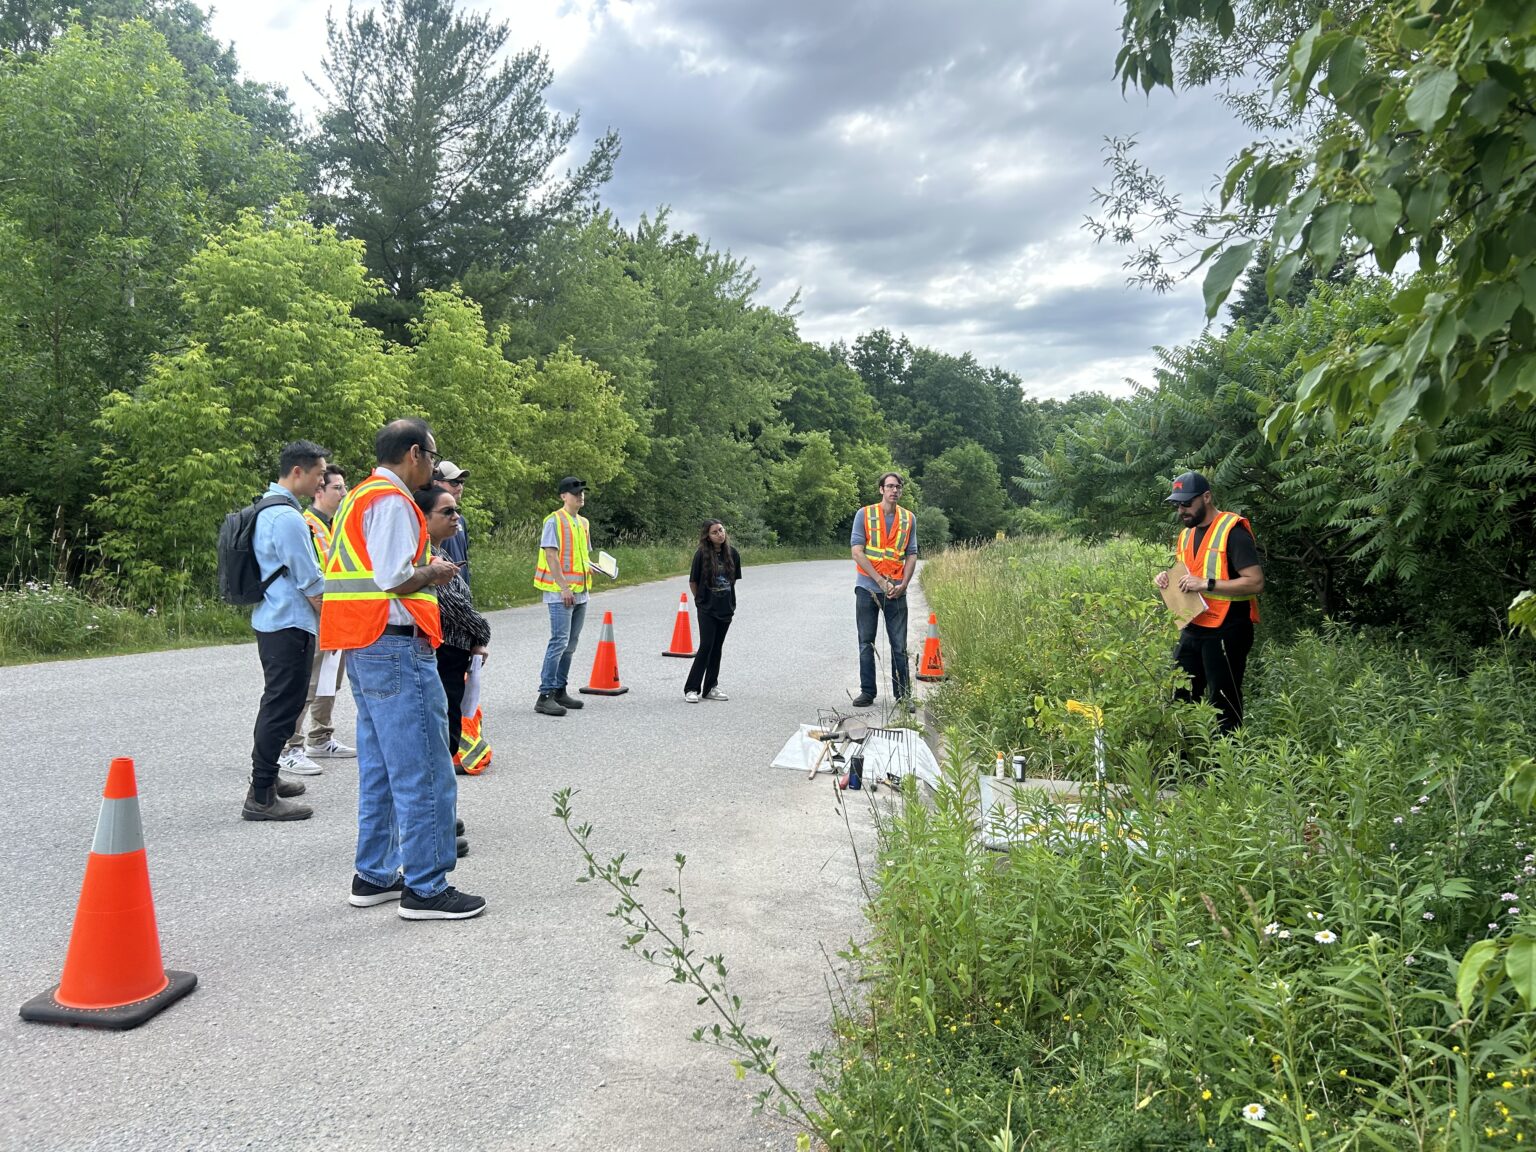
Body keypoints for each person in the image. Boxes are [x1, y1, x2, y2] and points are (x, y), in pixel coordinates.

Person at [318, 418, 485, 920]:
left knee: (382, 769)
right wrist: (434, 570)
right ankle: (427, 887)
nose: (434, 466)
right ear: (414, 453)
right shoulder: (391, 500)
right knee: (425, 769)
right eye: (433, 456)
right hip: (393, 645)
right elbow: (395, 577)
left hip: (365, 645)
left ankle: (372, 874)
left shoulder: (360, 496)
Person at [242, 441, 330, 822]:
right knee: (282, 707)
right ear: (298, 471)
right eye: (318, 474)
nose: (322, 481)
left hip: (274, 620)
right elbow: (310, 580)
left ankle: (268, 780)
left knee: (281, 704)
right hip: (289, 623)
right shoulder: (288, 519)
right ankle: (260, 795)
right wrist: (332, 621)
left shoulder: (269, 508)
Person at [1154, 471, 1264, 733]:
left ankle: (1227, 764)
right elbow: (1188, 573)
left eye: (1187, 503)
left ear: (1206, 496)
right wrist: (1167, 578)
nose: (1182, 510)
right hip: (1193, 626)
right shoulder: (1186, 535)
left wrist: (1207, 583)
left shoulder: (1232, 532)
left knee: (1223, 701)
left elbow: (1256, 582)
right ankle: (1185, 760)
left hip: (1228, 629)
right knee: (1181, 695)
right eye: (1177, 505)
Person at [279, 464, 354, 773]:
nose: (344, 493)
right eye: (337, 487)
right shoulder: (308, 524)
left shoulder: (334, 525)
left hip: (337, 616)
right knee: (308, 684)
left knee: (329, 681)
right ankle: (289, 746)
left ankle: (320, 737)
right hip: (317, 615)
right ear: (320, 491)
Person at [417, 485, 491, 773]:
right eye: (447, 511)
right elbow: (452, 604)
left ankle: (437, 809)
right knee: (442, 736)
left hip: (453, 650)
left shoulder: (438, 551)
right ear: (423, 517)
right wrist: (482, 632)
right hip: (442, 651)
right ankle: (434, 813)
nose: (455, 516)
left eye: (456, 510)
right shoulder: (425, 555)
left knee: (448, 731)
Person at [850, 472, 918, 709]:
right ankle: (867, 692)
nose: (894, 490)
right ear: (881, 489)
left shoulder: (909, 518)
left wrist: (904, 585)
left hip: (897, 591)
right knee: (866, 642)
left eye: (897, 487)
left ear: (901, 490)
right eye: (889, 486)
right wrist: (879, 581)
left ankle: (903, 695)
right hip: (867, 588)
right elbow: (857, 551)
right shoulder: (864, 514)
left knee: (899, 644)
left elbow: (912, 553)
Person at [533, 476, 593, 717]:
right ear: (563, 496)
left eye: (582, 493)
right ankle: (544, 695)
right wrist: (563, 587)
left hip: (581, 591)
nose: (580, 496)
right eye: (575, 492)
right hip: (562, 592)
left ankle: (560, 689)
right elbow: (551, 556)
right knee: (559, 642)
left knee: (570, 644)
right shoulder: (554, 521)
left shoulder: (584, 523)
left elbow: (583, 556)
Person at [683, 520, 742, 703]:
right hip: (707, 608)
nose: (720, 534)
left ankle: (711, 687)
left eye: (721, 530)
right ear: (707, 536)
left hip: (725, 608)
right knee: (706, 646)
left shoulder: (733, 554)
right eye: (715, 532)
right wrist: (700, 601)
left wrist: (729, 602)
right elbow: (693, 582)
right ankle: (692, 688)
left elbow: (733, 581)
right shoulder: (701, 555)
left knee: (717, 647)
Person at [431, 461, 471, 588]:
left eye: (462, 482)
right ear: (435, 483)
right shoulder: (427, 517)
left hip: (461, 595)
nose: (459, 487)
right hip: (442, 593)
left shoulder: (461, 520)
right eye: (454, 482)